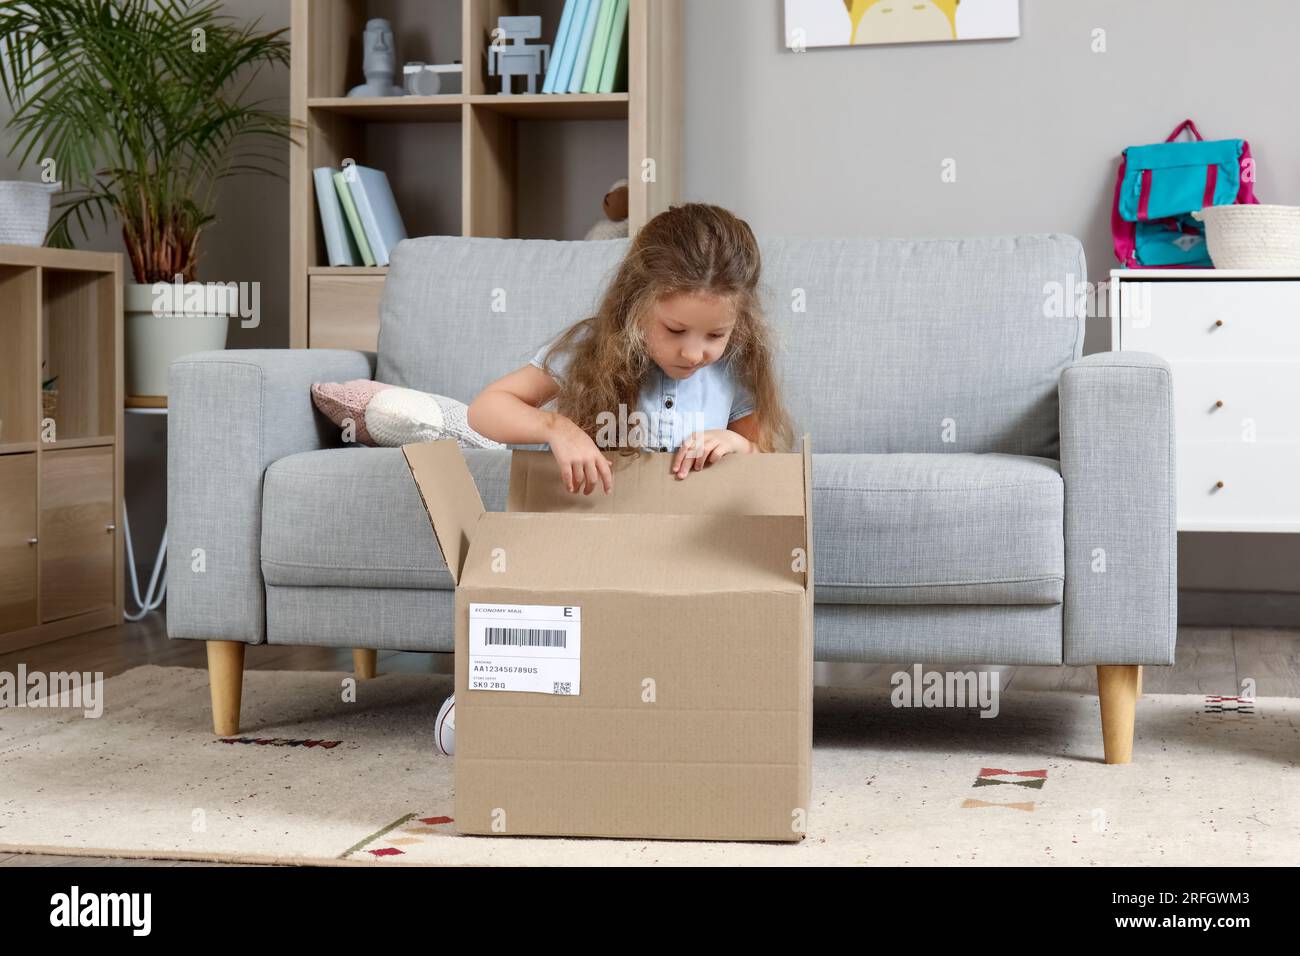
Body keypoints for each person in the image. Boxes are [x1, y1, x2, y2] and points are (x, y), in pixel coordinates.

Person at [432, 203, 796, 756]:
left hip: (692, 552)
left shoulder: (736, 364)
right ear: (636, 304)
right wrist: (555, 426)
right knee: (565, 616)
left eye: (714, 335)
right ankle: (504, 699)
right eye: (674, 330)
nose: (694, 352)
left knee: (679, 645)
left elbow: (764, 452)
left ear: (738, 325)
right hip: (597, 539)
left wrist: (739, 444)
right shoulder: (589, 347)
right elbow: (485, 410)